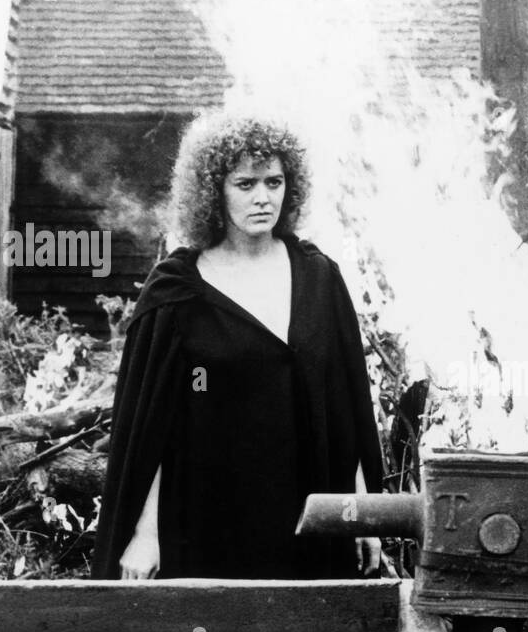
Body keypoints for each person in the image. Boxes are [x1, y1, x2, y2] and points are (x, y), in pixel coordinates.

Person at [91, 112, 383, 581]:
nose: (263, 197)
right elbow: (152, 434)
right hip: (207, 524)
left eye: (274, 181)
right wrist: (146, 534)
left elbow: (345, 408)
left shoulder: (318, 278)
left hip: (307, 525)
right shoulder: (177, 292)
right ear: (214, 191)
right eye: (245, 184)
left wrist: (364, 514)